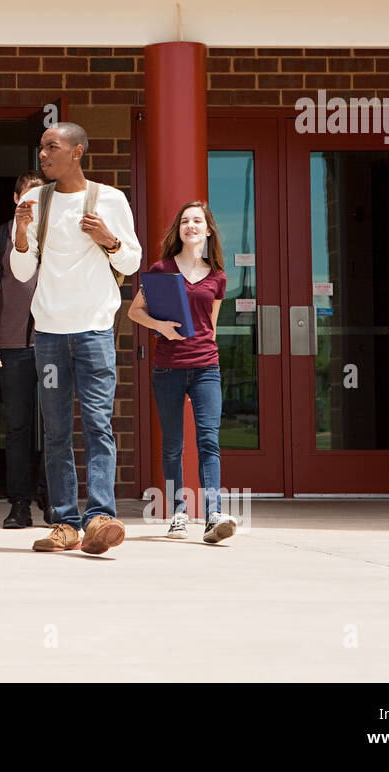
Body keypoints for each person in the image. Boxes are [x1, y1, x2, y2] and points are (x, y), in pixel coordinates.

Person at [10, 122, 141, 554]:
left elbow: (133, 257)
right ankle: (64, 523)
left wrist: (107, 238)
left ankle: (100, 517)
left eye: (52, 147)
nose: (43, 155)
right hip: (48, 334)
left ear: (77, 151)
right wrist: (21, 235)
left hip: (94, 332)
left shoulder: (109, 199)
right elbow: (23, 271)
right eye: (41, 148)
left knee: (99, 425)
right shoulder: (34, 200)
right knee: (56, 430)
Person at [128, 200, 237, 543]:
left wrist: (201, 347)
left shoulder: (218, 276)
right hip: (168, 369)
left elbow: (211, 326)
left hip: (206, 367)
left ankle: (213, 514)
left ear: (208, 230)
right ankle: (177, 513)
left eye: (197, 221)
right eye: (185, 221)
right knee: (173, 444)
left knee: (209, 440)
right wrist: (161, 326)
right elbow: (135, 311)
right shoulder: (161, 270)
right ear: (179, 231)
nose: (190, 226)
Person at [0, 170, 51, 529]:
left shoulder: (60, 236)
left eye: (41, 196)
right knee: (18, 427)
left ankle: (54, 500)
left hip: (54, 344)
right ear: (16, 199)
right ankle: (19, 504)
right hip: (12, 345)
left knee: (56, 425)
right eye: (28, 196)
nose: (33, 203)